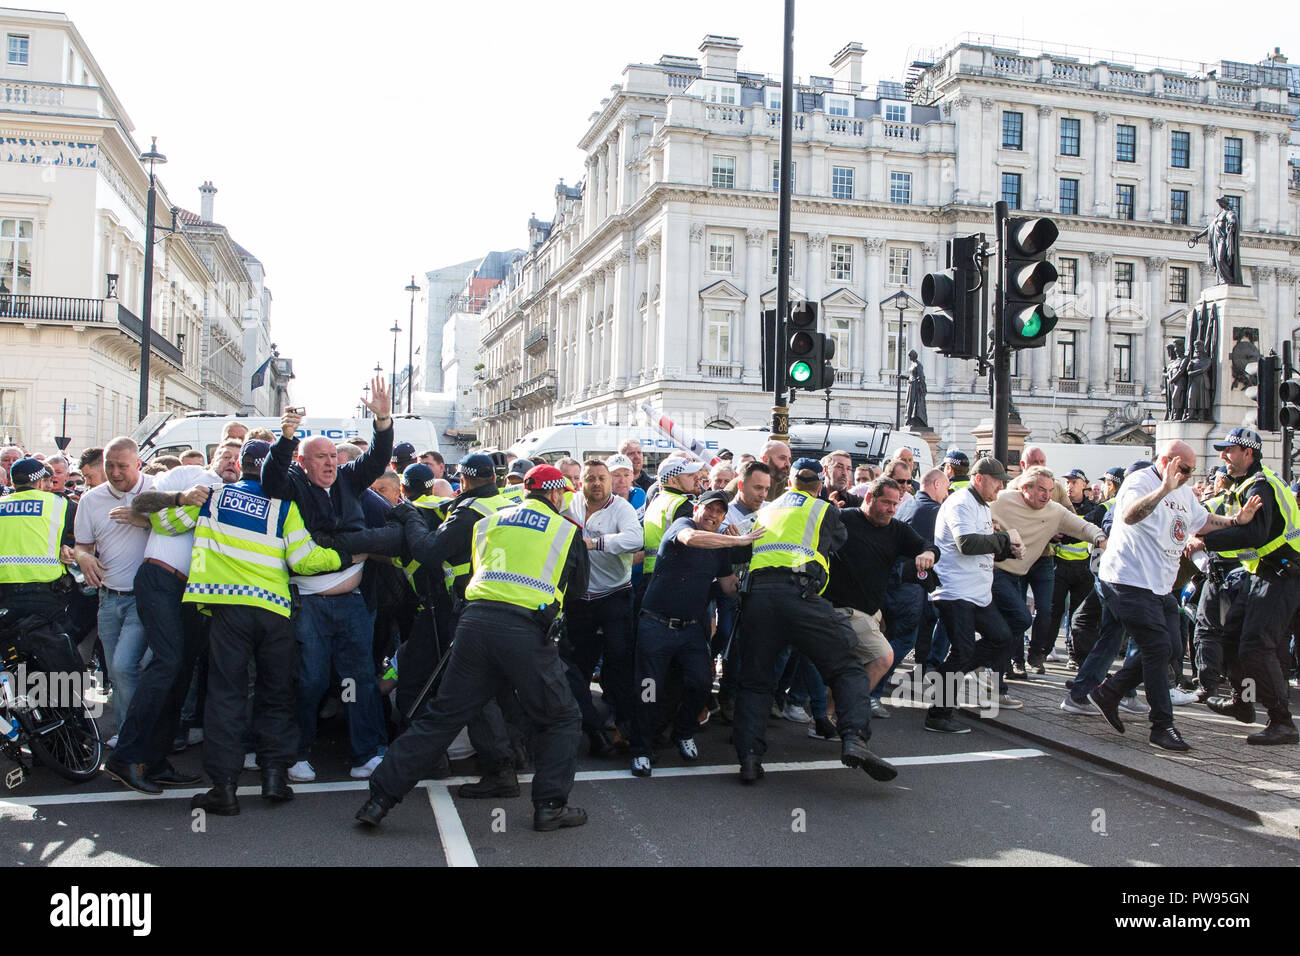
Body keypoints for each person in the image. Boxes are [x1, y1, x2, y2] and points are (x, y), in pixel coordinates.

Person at [355, 465, 590, 832]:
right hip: (525, 631)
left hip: (473, 624)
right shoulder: (565, 530)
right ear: (557, 495)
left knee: (442, 717)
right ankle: (550, 806)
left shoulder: (488, 523)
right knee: (561, 718)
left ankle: (378, 800)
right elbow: (576, 589)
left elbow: (475, 571)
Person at [150, 440, 358, 814]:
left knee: (227, 698)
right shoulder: (284, 507)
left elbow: (162, 523)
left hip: (228, 611)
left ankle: (224, 790)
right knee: (276, 695)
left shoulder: (213, 496)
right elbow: (307, 560)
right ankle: (275, 778)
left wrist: (181, 499)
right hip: (275, 612)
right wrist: (348, 554)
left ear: (241, 464)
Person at [1066, 439, 1260, 752]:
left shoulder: (1183, 490)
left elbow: (1202, 521)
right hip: (1127, 581)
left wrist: (1237, 520)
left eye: (1191, 471)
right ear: (1166, 460)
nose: (1187, 475)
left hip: (1158, 585)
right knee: (1156, 646)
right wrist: (1164, 489)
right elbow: (1128, 516)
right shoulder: (1140, 481)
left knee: (1168, 645)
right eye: (1183, 469)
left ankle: (1110, 691)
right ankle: (1162, 726)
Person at [260, 375, 394, 782]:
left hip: (352, 603)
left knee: (360, 679)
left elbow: (375, 459)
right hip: (310, 604)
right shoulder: (294, 482)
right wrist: (285, 439)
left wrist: (383, 419)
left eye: (333, 456)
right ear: (304, 462)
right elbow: (270, 479)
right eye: (320, 457)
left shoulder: (350, 479)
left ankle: (365, 753)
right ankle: (296, 752)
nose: (329, 463)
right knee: (311, 678)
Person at [732, 458, 897, 784]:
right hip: (802, 597)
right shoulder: (824, 509)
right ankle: (854, 738)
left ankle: (749, 760)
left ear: (790, 482)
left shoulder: (765, 509)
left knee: (754, 682)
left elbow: (741, 551)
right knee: (846, 668)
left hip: (759, 600)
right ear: (819, 485)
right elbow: (837, 542)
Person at [102, 440, 244, 795]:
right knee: (167, 663)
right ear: (213, 458)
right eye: (226, 455)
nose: (232, 461)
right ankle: (125, 756)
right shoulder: (189, 474)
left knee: (181, 672)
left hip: (194, 593)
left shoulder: (239, 497)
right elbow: (142, 504)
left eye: (239, 458)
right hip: (161, 578)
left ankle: (155, 760)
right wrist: (182, 497)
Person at [632, 490, 761, 776]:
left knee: (701, 683)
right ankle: (641, 750)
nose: (713, 516)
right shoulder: (683, 527)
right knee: (648, 690)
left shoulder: (720, 546)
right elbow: (692, 540)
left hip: (690, 629)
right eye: (709, 509)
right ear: (696, 509)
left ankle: (684, 731)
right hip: (656, 625)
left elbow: (728, 586)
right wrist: (736, 540)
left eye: (720, 512)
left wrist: (753, 582)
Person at [1194, 428, 1300, 745]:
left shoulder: (1260, 486)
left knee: (1257, 644)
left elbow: (1254, 535)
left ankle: (1282, 722)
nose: (1223, 456)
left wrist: (1206, 541)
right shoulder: (1246, 485)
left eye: (1229, 450)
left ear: (1248, 453)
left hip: (1284, 574)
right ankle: (1243, 701)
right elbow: (1250, 539)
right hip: (1263, 573)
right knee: (1232, 637)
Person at [989, 466, 1106, 708]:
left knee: (1006, 629)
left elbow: (1082, 527)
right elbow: (974, 512)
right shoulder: (1002, 501)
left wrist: (1102, 538)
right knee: (1020, 619)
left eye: (1050, 491)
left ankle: (995, 683)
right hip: (993, 572)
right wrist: (988, 527)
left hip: (1018, 573)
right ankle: (987, 673)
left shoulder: (1054, 511)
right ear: (1025, 488)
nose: (1046, 495)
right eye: (1041, 489)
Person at [826, 476, 938, 724]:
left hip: (872, 611)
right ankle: (845, 711)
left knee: (852, 667)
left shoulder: (896, 529)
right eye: (886, 502)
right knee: (883, 657)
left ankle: (828, 712)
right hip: (841, 608)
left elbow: (925, 544)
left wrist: (928, 553)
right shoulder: (843, 519)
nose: (891, 509)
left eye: (895, 504)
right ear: (869, 498)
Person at [925, 457, 1023, 734]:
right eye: (996, 481)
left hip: (977, 591)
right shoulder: (960, 503)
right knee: (964, 650)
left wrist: (1008, 549)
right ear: (979, 479)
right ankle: (938, 715)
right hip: (955, 590)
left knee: (1002, 637)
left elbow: (984, 546)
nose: (1001, 487)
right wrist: (1004, 539)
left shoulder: (982, 506)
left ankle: (944, 675)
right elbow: (966, 544)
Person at [560, 458, 643, 756]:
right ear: (580, 482)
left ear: (610, 482)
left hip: (614, 595)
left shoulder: (621, 507)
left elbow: (636, 539)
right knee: (578, 665)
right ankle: (585, 729)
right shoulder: (569, 504)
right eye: (590, 478)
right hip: (579, 599)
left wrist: (595, 544)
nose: (596, 483)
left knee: (619, 661)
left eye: (601, 478)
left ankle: (623, 725)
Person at [73, 437, 153, 737]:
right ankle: (130, 732)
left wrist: (143, 520)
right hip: (108, 598)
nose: (116, 472)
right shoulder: (91, 499)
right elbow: (82, 545)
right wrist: (84, 559)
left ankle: (132, 735)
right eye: (110, 466)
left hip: (143, 599)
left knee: (123, 665)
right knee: (118, 672)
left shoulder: (156, 490)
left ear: (138, 464)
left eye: (122, 466)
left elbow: (181, 528)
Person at [1029, 467, 1106, 671]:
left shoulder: (1094, 508)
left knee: (1078, 614)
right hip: (1060, 565)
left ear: (1084, 485)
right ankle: (1044, 652)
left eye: (1074, 482)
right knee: (1053, 611)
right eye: (1068, 482)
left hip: (1084, 567)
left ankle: (1075, 655)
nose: (1069, 486)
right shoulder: (1060, 506)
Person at [0, 457, 77, 622]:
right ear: (41, 483)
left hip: (4, 593)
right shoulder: (61, 504)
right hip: (44, 593)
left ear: (12, 483)